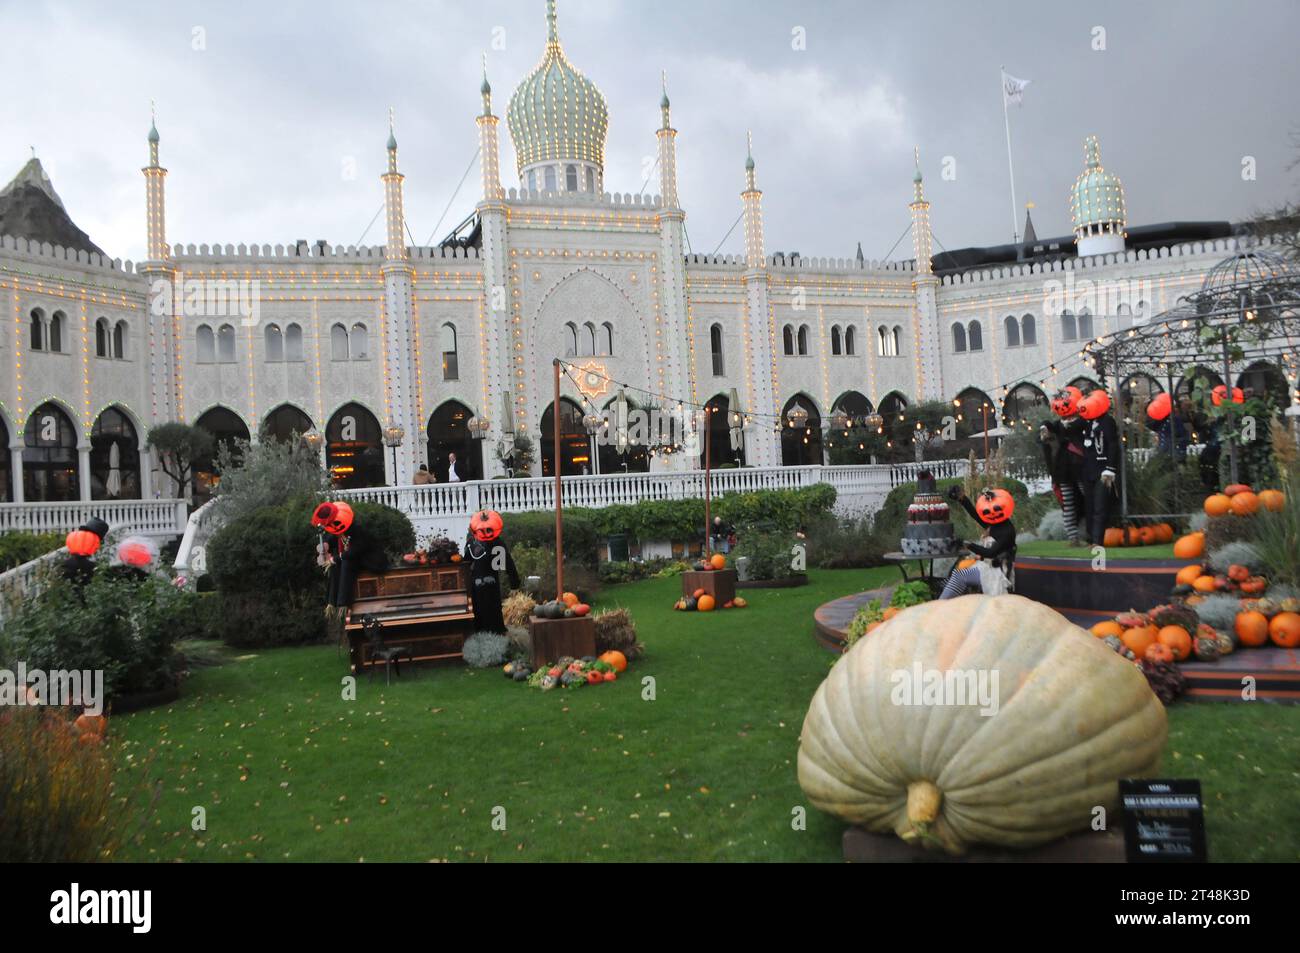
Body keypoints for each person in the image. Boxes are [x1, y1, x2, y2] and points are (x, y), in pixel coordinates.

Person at [939, 486, 1016, 599]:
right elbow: (976, 515)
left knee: (959, 576)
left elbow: (990, 553)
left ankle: (939, 605)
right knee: (952, 576)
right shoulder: (994, 522)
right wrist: (962, 499)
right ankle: (948, 605)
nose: (991, 512)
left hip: (997, 572)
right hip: (986, 567)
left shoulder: (1007, 531)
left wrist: (967, 544)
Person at [1040, 386, 1088, 546]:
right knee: (1068, 503)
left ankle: (1092, 533)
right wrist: (1044, 428)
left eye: (1065, 402)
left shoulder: (1082, 421)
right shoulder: (1058, 425)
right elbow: (1048, 426)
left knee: (1088, 497)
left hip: (1081, 467)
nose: (1062, 406)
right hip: (1063, 470)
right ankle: (1073, 538)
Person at [463, 509, 520, 634]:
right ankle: (495, 635)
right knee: (492, 611)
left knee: (481, 612)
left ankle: (484, 635)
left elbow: (466, 563)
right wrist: (514, 583)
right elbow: (505, 565)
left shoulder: (472, 543)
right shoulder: (496, 542)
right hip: (489, 583)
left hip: (477, 583)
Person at [1078, 388, 1120, 546]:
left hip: (1103, 470)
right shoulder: (1087, 423)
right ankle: (1090, 538)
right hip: (1088, 470)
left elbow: (1113, 445)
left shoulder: (1107, 422)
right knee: (1089, 505)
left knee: (1099, 506)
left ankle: (1098, 540)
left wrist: (1110, 468)